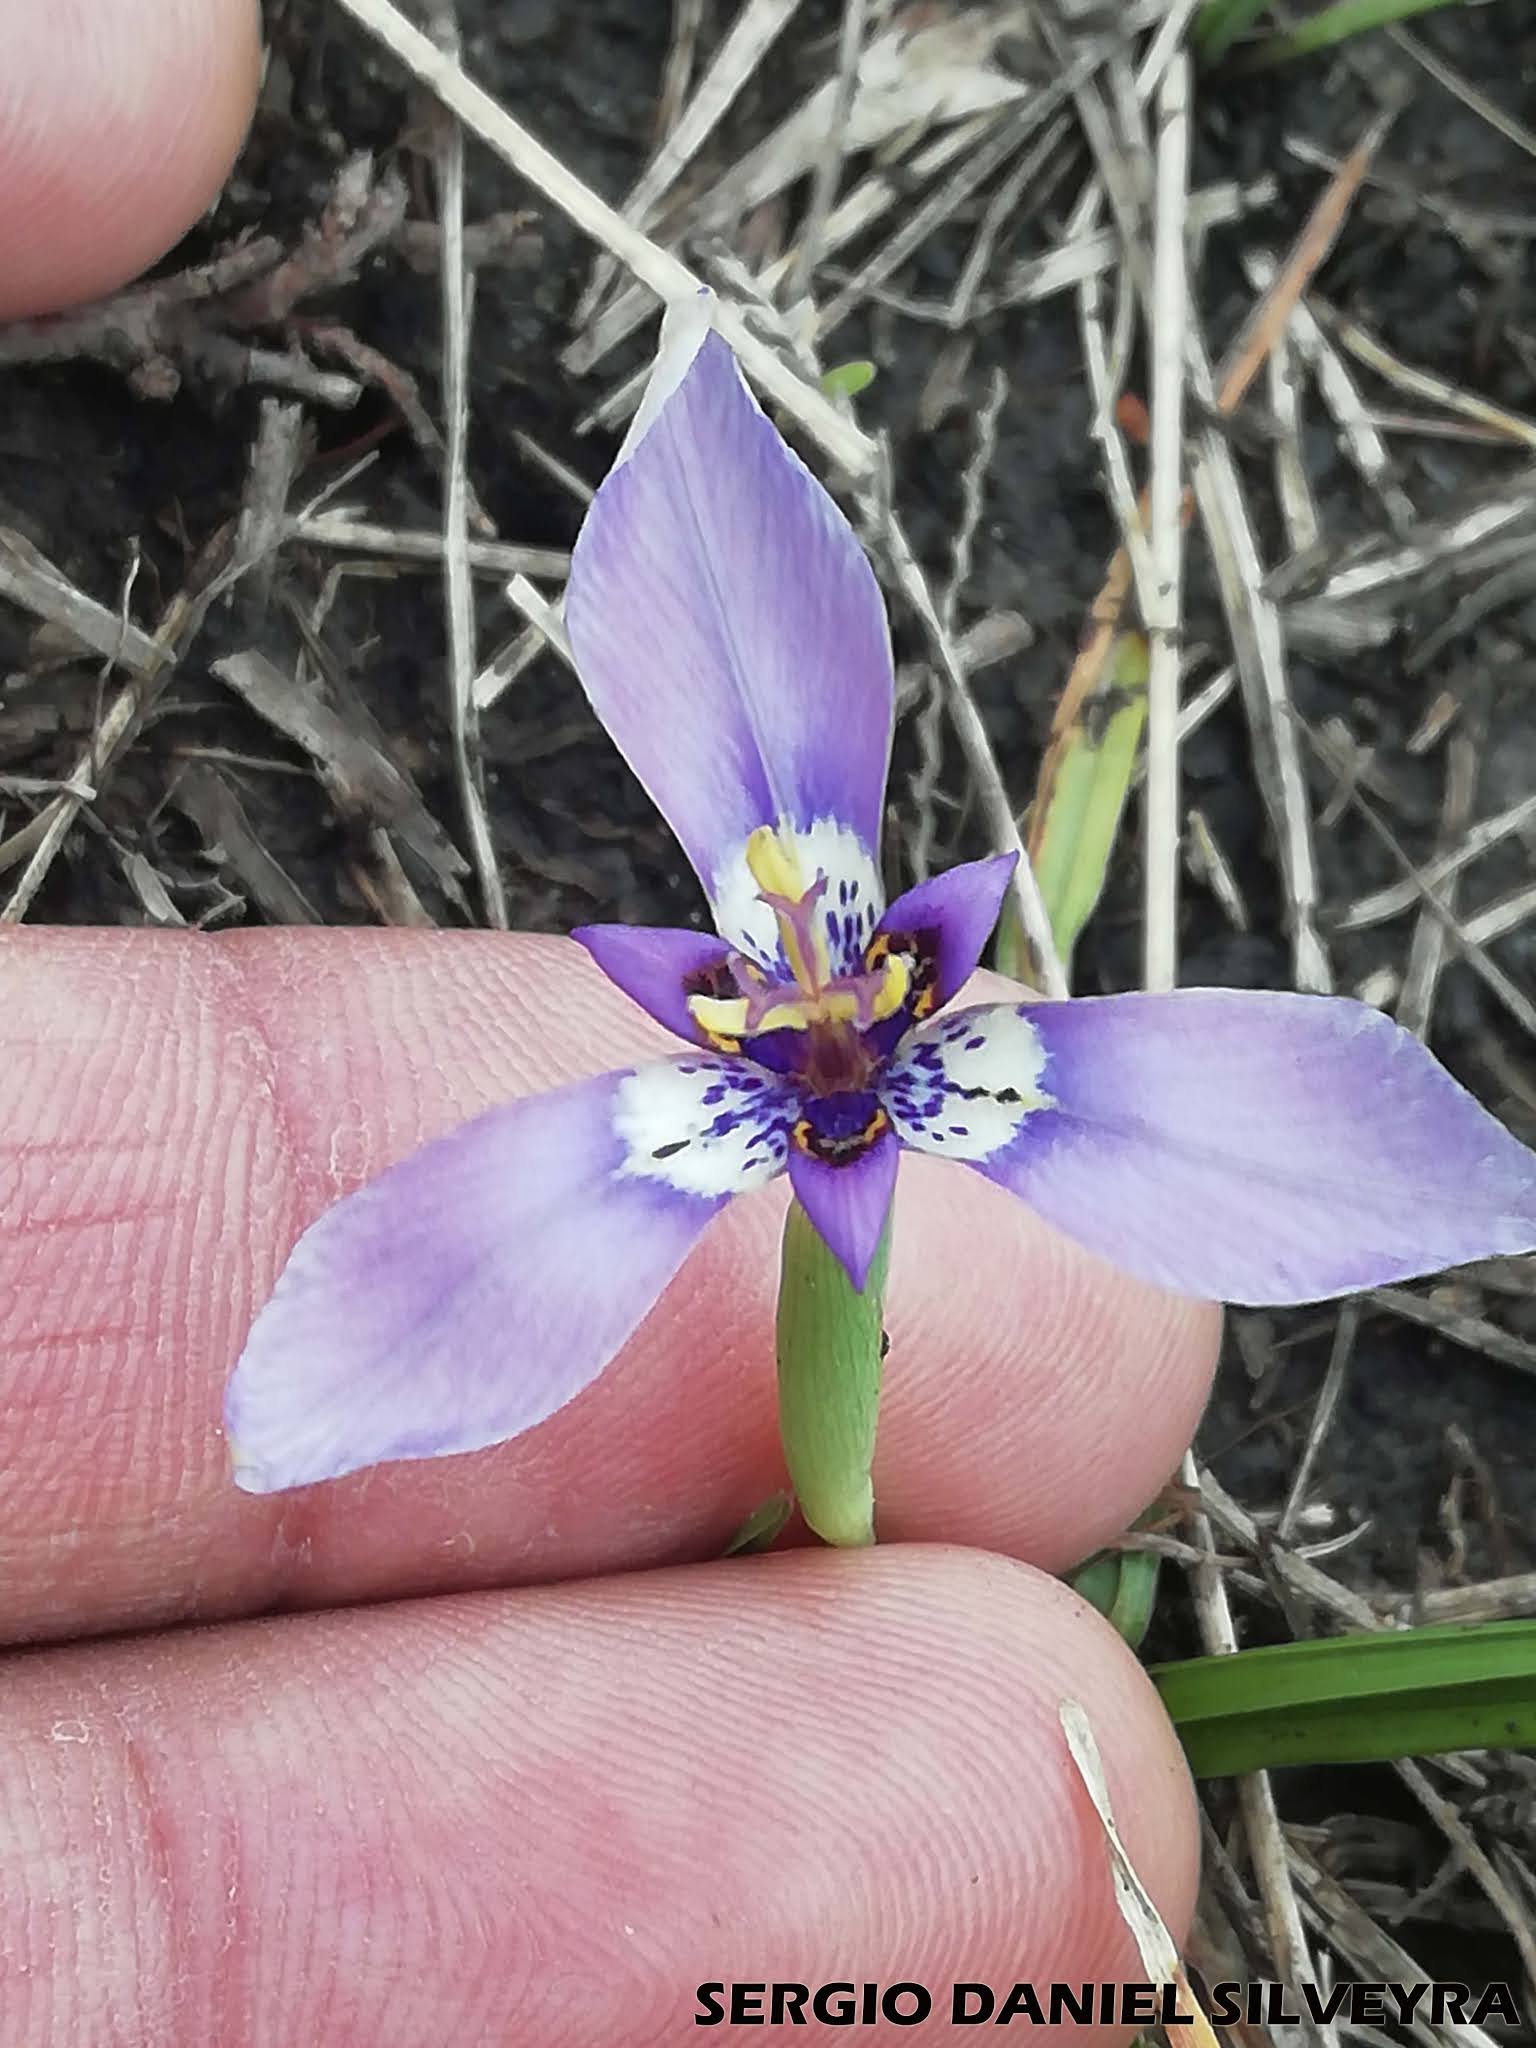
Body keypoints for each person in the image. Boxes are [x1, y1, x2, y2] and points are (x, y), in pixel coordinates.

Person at [0, 4, 1215, 2035]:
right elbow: (388, 1333)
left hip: (849, 1138)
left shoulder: (891, 1044)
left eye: (838, 988)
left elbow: (1288, 1156)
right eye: (813, 990)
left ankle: (834, 1538)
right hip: (736, 1143)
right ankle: (821, 1545)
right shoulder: (749, 1087)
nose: (828, 1001)